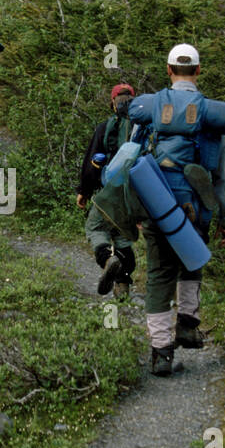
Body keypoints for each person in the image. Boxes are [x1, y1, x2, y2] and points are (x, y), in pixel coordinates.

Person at [129, 44, 225, 376]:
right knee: (193, 259)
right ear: (199, 71)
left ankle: (161, 352)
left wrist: (132, 213)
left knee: (159, 275)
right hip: (197, 207)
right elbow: (224, 173)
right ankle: (188, 324)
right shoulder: (212, 115)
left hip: (156, 205)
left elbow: (131, 161)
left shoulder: (150, 110)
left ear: (168, 69)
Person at [78, 82, 137, 297]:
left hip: (108, 192)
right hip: (134, 196)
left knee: (95, 228)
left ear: (113, 103)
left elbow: (91, 165)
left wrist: (84, 191)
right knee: (122, 238)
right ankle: (122, 285)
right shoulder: (142, 129)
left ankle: (107, 259)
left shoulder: (105, 128)